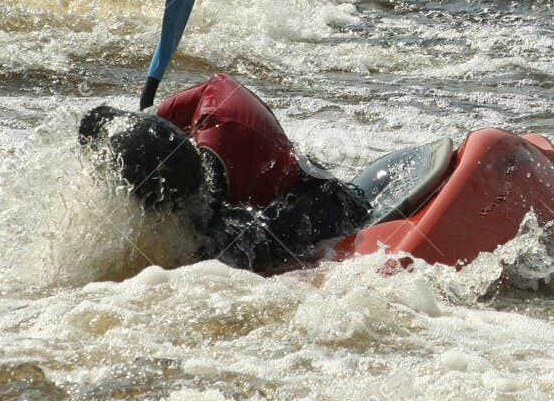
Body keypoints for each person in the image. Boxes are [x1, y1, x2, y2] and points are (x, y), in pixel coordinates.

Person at [78, 74, 370, 272]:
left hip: (320, 202)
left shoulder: (222, 148)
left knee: (239, 249)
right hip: (255, 174)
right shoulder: (164, 119)